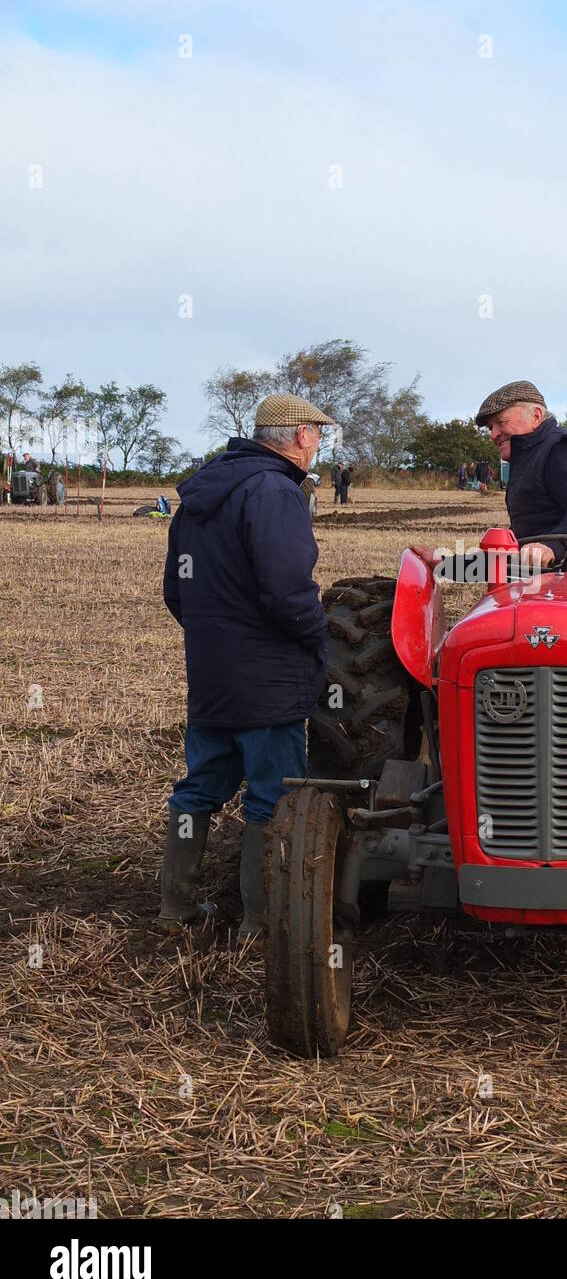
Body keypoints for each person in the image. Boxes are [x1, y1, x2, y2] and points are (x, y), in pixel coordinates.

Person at [160, 392, 332, 939]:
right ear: (301, 434)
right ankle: (260, 922)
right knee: (272, 795)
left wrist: (219, 640)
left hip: (212, 676)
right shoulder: (276, 492)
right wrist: (317, 637)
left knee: (198, 788)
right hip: (269, 681)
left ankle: (175, 909)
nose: (320, 444)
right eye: (319, 434)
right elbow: (287, 591)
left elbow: (175, 592)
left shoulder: (200, 496)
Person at [413, 381, 567, 600]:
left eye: (500, 422)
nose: (493, 435)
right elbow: (516, 553)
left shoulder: (563, 450)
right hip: (556, 578)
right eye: (491, 428)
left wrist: (551, 547)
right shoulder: (528, 462)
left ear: (536, 416)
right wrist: (447, 565)